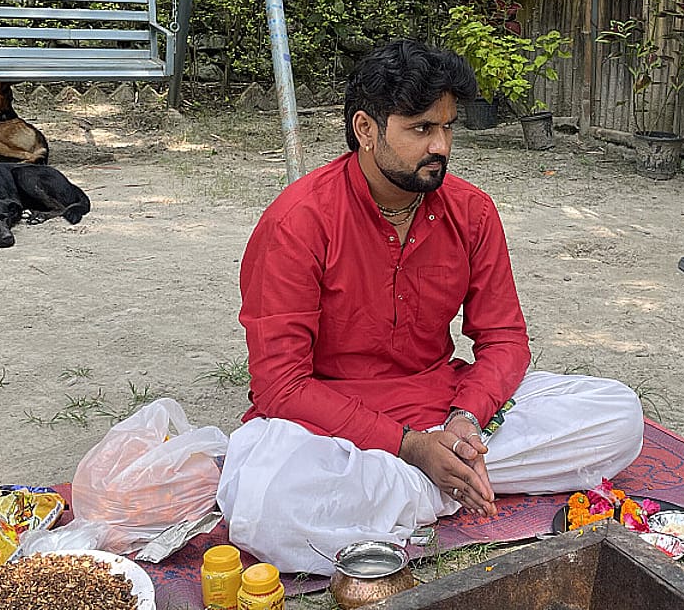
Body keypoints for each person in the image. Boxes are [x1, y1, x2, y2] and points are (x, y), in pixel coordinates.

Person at [216, 39, 644, 575]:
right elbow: (281, 386)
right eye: (421, 129)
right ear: (366, 130)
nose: (440, 145)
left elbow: (506, 340)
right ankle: (446, 480)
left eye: (447, 127)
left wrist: (466, 420)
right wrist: (409, 446)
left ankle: (428, 485)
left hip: (446, 405)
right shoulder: (298, 222)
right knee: (268, 505)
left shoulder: (471, 210)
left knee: (618, 414)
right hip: (333, 428)